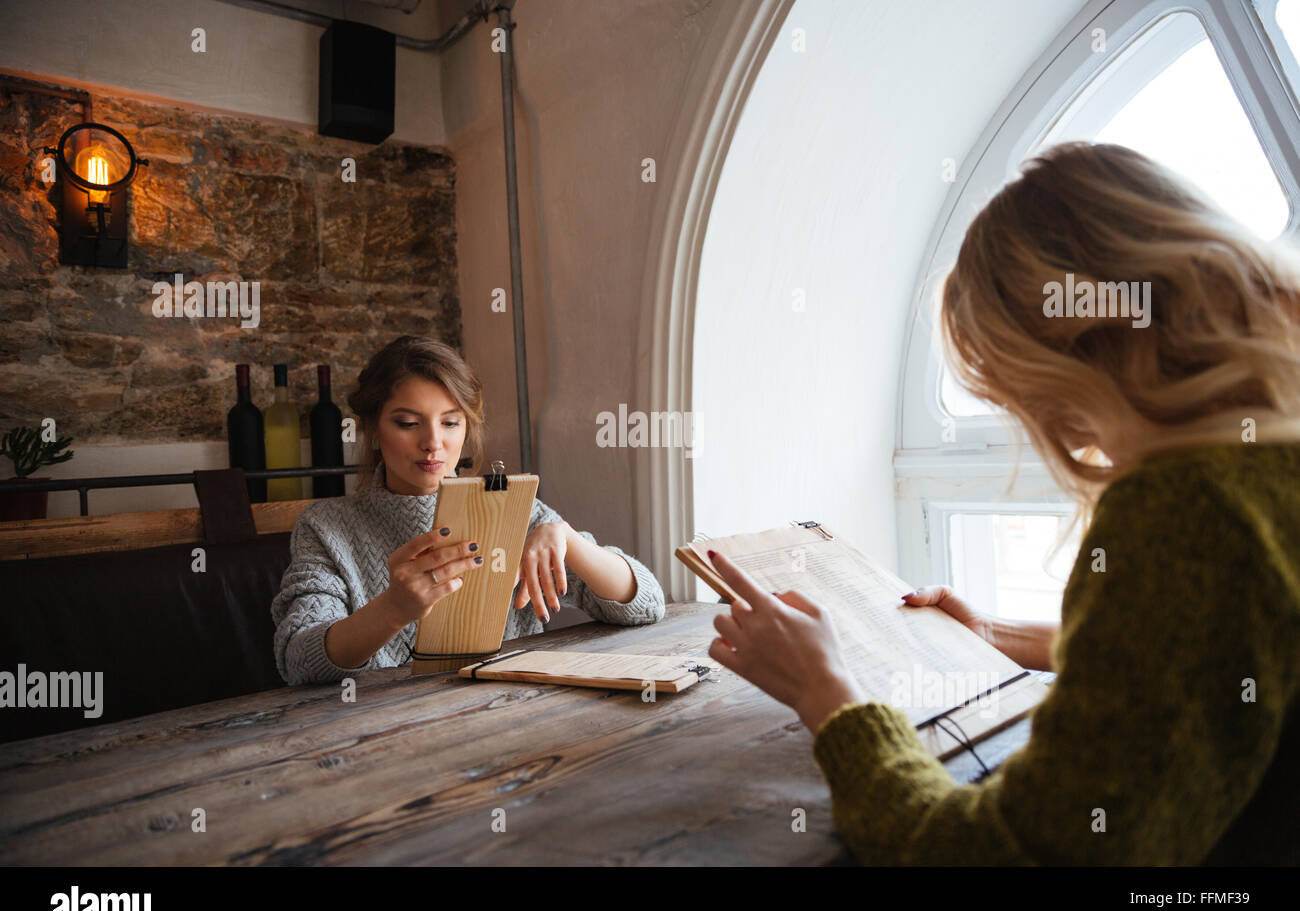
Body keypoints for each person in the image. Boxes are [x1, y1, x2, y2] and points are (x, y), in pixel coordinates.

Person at [705, 142, 1300, 864]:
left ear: (1071, 352)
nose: (1041, 426)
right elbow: (1223, 644)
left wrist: (828, 695)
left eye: (1017, 392)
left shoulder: (1185, 509)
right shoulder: (1262, 468)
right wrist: (993, 633)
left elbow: (1003, 855)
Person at [272, 335, 665, 685]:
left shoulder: (516, 511)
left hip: (505, 719)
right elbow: (298, 660)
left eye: (450, 423)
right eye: (408, 423)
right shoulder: (326, 527)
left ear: (467, 428)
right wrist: (392, 610)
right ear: (373, 429)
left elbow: (646, 604)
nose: (433, 443)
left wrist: (566, 537)